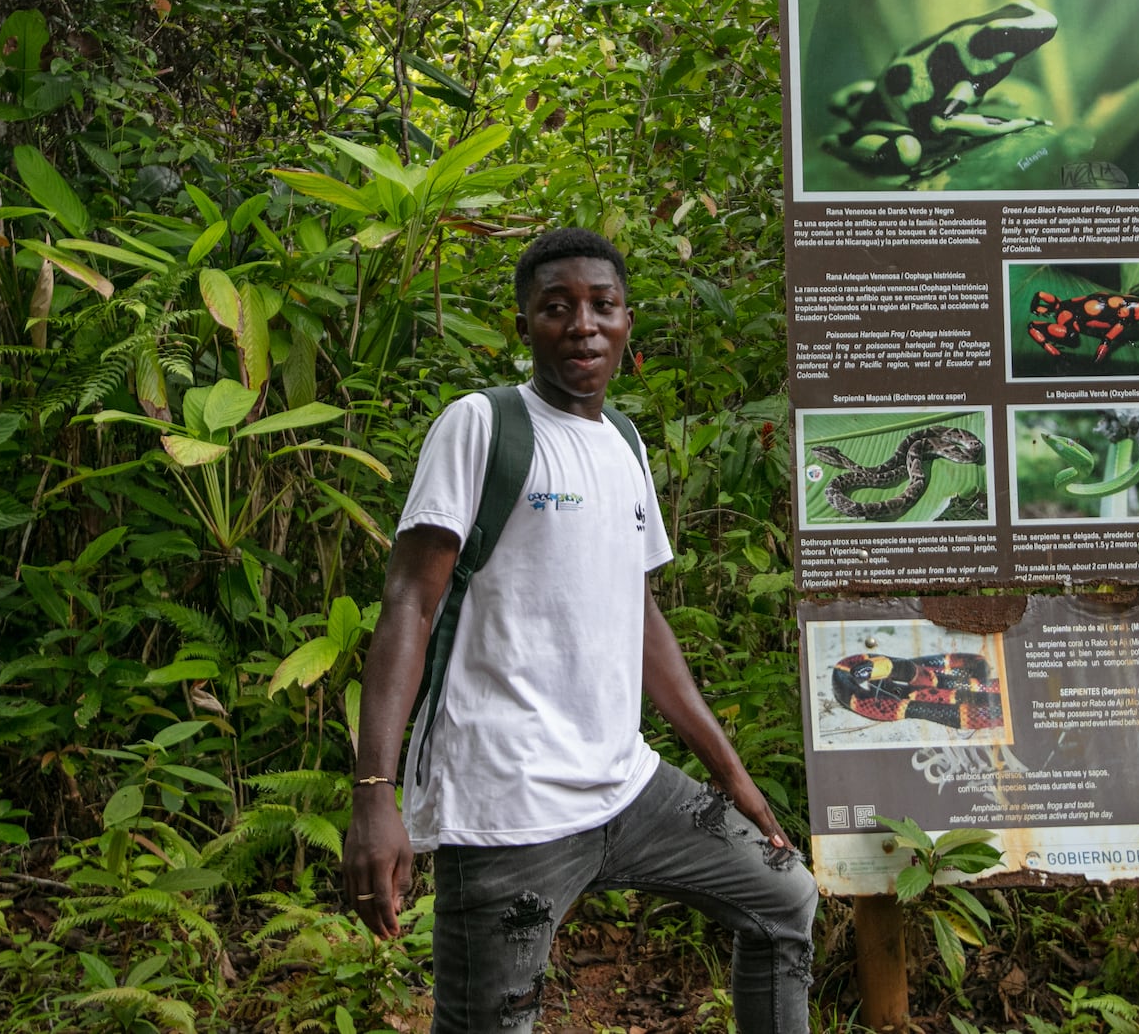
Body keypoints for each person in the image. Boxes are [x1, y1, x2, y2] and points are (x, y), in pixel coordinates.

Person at [344, 227, 818, 1033]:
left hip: (627, 786)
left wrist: (730, 774)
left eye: (603, 305)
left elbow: (640, 621)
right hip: (508, 805)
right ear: (524, 323)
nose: (583, 325)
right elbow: (408, 604)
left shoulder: (625, 444)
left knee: (783, 897)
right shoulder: (482, 426)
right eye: (556, 307)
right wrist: (372, 796)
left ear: (629, 322)